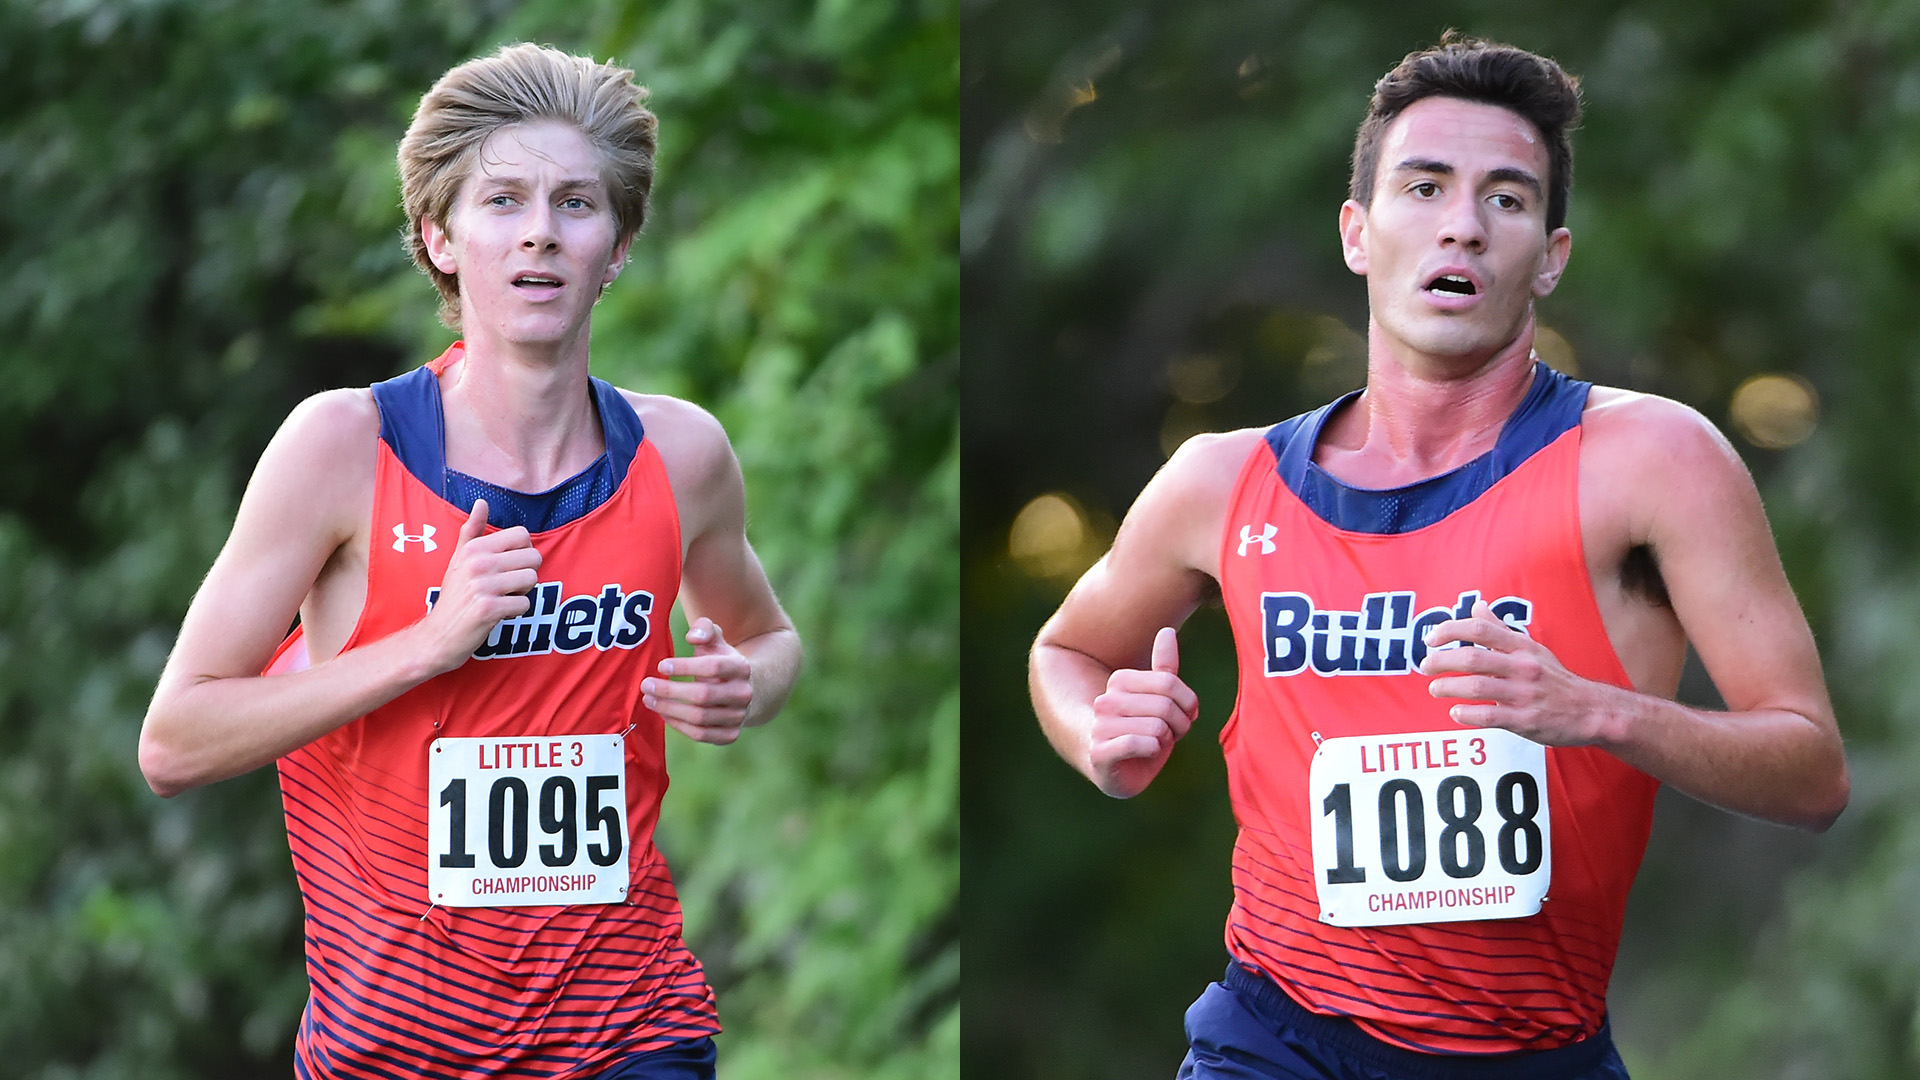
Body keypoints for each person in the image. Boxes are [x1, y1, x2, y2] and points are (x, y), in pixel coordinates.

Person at [1028, 34, 1848, 1080]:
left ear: (1550, 256)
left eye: (1507, 200)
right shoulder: (1222, 483)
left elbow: (1813, 772)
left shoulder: (1655, 463)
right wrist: (1098, 731)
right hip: (1276, 1033)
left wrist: (1601, 711)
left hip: (1531, 1053)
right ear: (1358, 233)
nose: (1462, 223)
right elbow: (1067, 651)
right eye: (1425, 188)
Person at [138, 43, 800, 1079]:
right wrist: (424, 646)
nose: (540, 229)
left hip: (631, 1033)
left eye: (577, 204)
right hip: (393, 1045)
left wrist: (742, 686)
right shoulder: (344, 449)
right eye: (503, 200)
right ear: (440, 238)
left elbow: (769, 639)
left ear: (618, 247)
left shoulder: (682, 458)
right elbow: (174, 741)